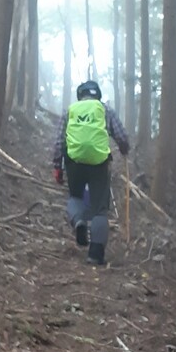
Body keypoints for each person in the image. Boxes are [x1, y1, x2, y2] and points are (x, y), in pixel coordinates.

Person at [51, 80, 130, 266]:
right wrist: (124, 148)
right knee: (99, 208)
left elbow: (59, 141)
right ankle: (95, 254)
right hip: (99, 163)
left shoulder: (70, 111)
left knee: (76, 196)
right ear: (97, 95)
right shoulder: (105, 109)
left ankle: (78, 221)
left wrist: (57, 167)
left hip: (74, 162)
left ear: (81, 94)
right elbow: (121, 135)